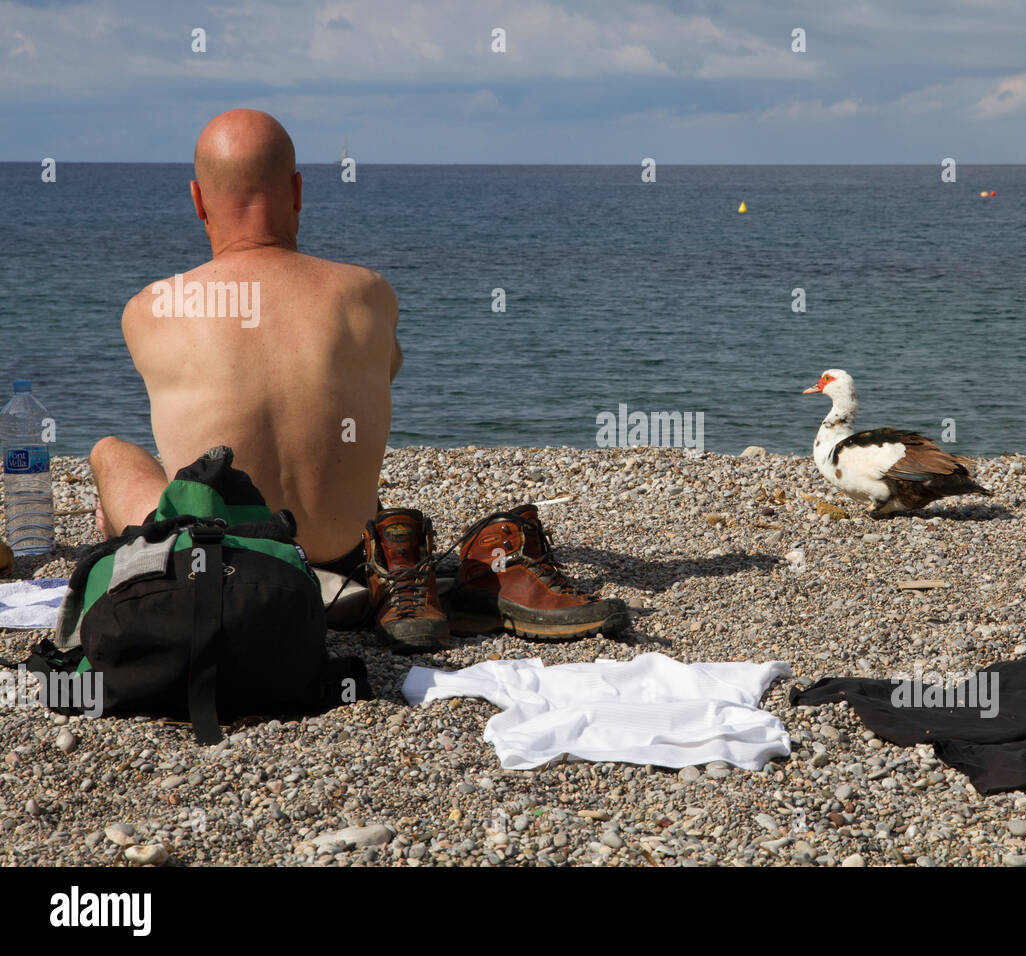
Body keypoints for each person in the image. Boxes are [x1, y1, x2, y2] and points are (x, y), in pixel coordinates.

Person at [90, 109, 628, 653]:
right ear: (298, 191)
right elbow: (381, 373)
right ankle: (376, 571)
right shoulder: (368, 293)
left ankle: (141, 560)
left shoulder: (151, 308)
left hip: (224, 564)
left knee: (111, 452)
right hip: (350, 560)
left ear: (198, 200)